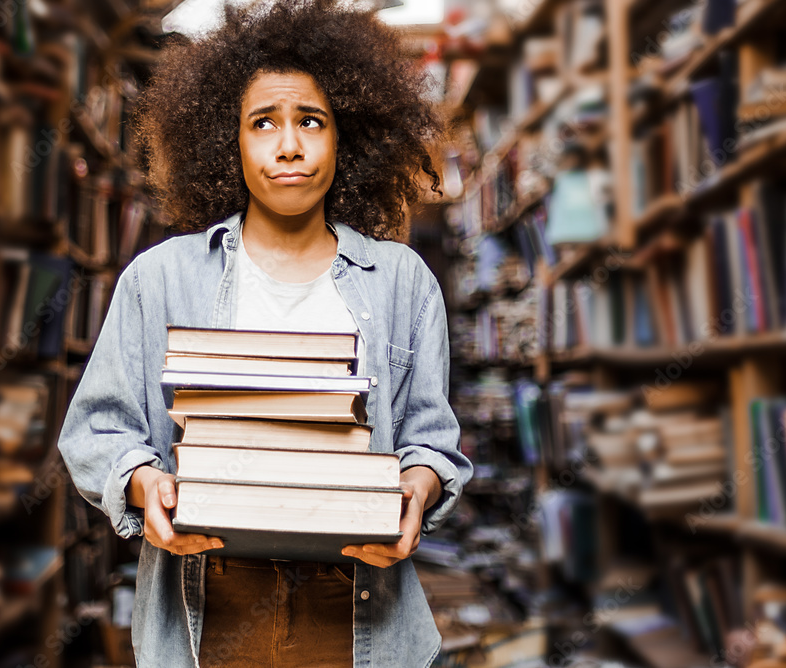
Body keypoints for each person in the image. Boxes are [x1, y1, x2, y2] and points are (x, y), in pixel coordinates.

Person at [56, 1, 473, 666]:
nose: (288, 145)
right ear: (230, 140)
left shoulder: (403, 281)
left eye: (311, 120)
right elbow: (96, 431)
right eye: (262, 123)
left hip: (360, 606)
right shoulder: (157, 280)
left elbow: (430, 440)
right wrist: (144, 486)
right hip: (206, 604)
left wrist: (415, 495)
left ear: (347, 137)